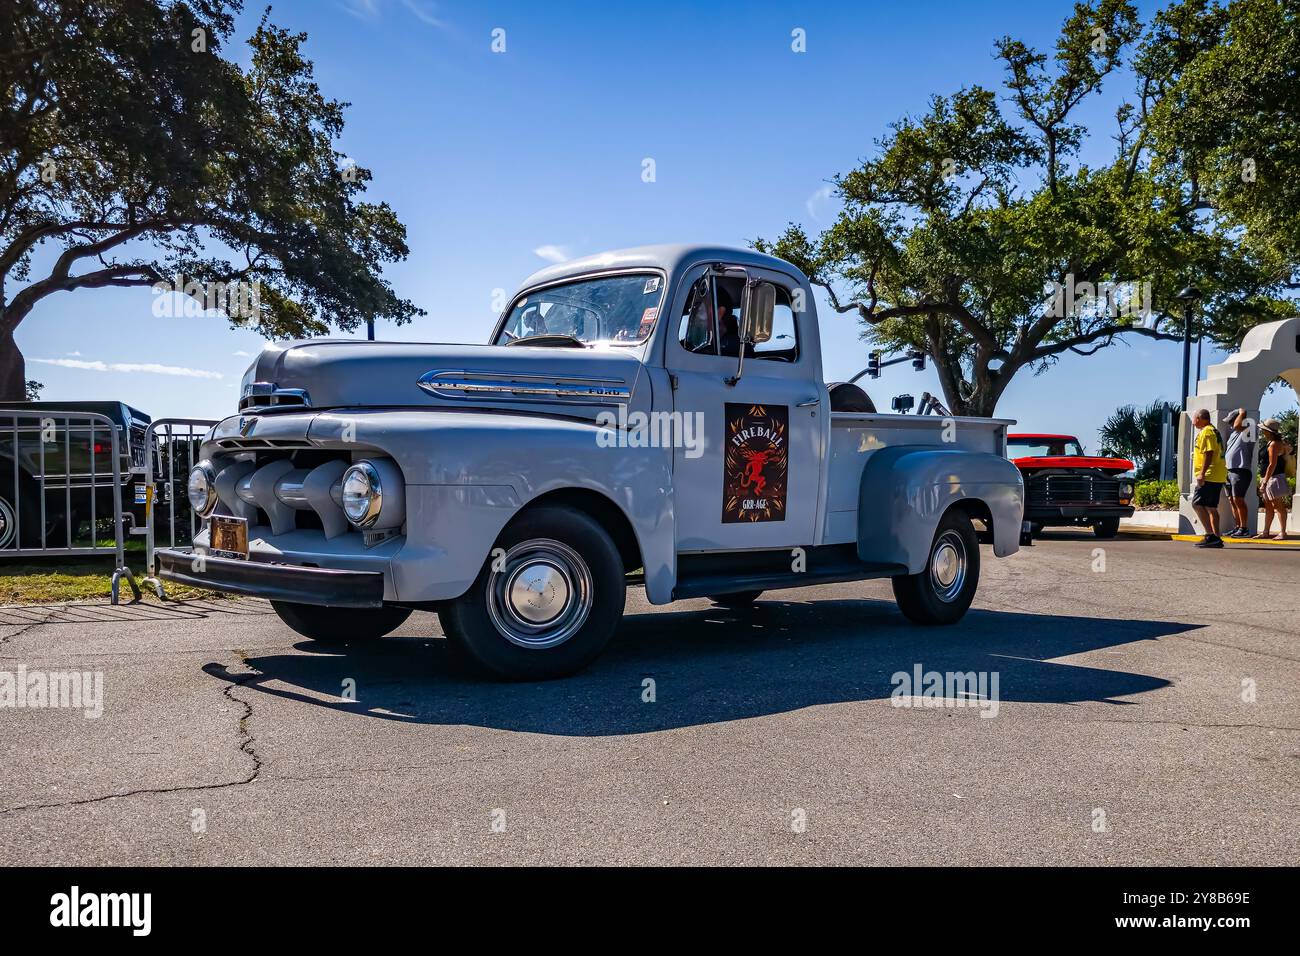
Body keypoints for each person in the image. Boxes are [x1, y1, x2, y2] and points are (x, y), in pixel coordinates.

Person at [1190, 408, 1227, 548]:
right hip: (1217, 475)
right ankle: (1217, 538)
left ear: (1200, 418)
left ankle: (1209, 535)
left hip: (1210, 475)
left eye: (1194, 418)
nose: (1193, 422)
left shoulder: (1207, 432)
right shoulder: (1213, 431)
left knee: (1197, 504)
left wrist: (1202, 473)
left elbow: (1209, 453)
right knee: (1211, 507)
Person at [1255, 418, 1292, 541]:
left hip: (1273, 478)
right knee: (1269, 506)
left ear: (1269, 431)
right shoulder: (1270, 443)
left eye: (1264, 430)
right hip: (1269, 477)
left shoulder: (1274, 444)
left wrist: (1265, 481)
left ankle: (1282, 532)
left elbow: (1272, 464)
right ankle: (1266, 531)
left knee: (1278, 505)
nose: (1262, 431)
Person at [1222, 408, 1256, 537]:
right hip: (1229, 470)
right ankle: (1237, 527)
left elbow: (1237, 425)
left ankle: (1244, 528)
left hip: (1241, 470)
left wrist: (1242, 413)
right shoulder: (1234, 433)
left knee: (1238, 499)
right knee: (1232, 499)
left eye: (1232, 421)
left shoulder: (1249, 429)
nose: (1231, 424)